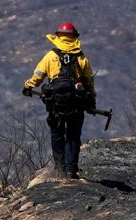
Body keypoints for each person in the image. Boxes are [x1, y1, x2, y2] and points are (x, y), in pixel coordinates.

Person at [22, 21, 95, 179]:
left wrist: (28, 86)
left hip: (55, 104)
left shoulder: (50, 56)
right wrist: (91, 101)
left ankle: (60, 169)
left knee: (57, 134)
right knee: (73, 135)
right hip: (76, 104)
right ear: (75, 37)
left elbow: (38, 77)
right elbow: (89, 83)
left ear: (58, 36)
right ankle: (71, 171)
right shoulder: (81, 59)